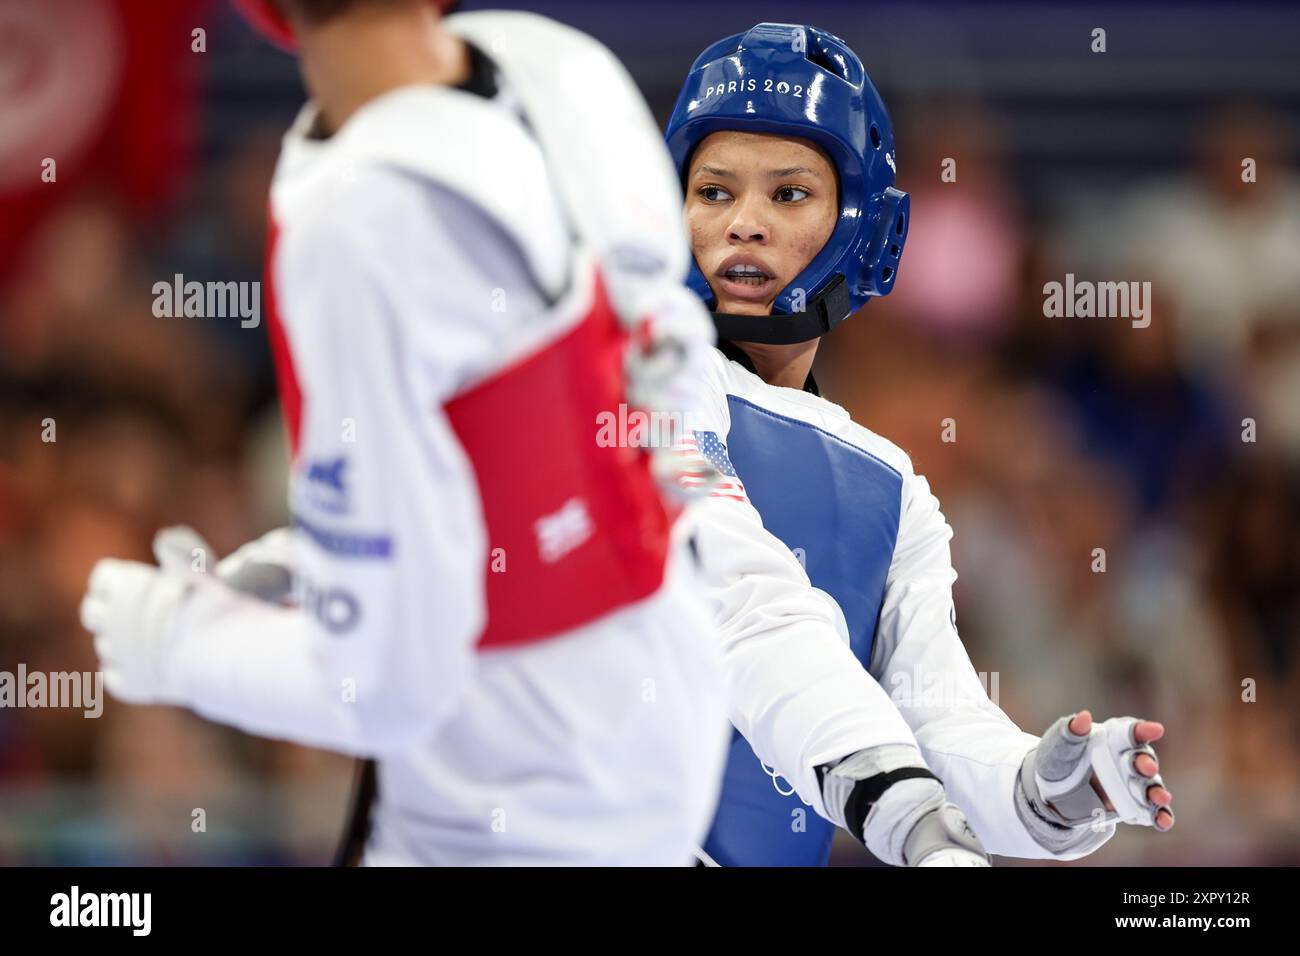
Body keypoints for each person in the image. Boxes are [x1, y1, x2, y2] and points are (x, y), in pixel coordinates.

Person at [79, 0, 730, 865]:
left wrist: (172, 641)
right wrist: (352, 563)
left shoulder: (356, 227)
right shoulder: (557, 68)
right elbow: (684, 430)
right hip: (656, 714)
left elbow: (386, 689)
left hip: (522, 798)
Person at [665, 23, 1176, 866]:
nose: (743, 224)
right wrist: (901, 808)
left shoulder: (888, 483)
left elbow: (934, 713)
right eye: (714, 192)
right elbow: (744, 604)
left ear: (864, 228)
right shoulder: (627, 387)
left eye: (788, 194)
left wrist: (1036, 791)